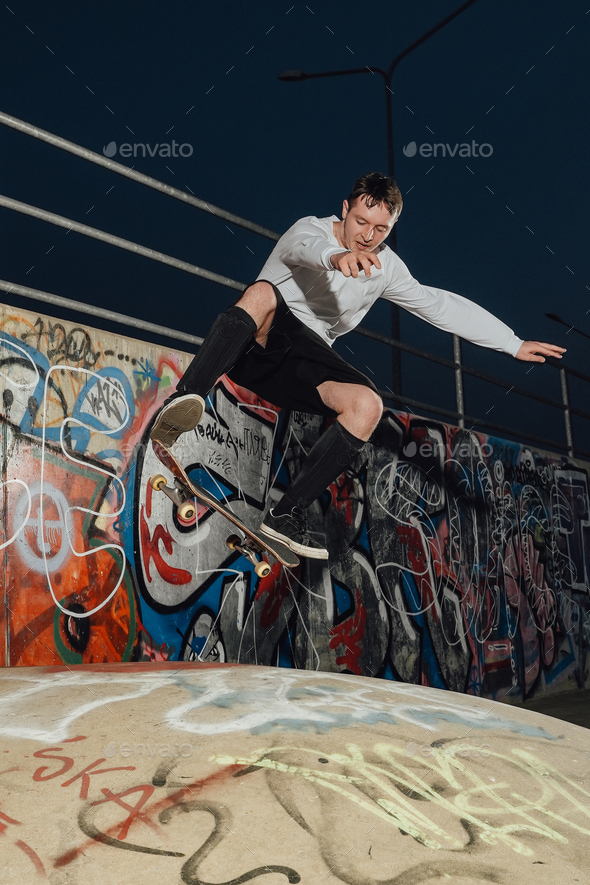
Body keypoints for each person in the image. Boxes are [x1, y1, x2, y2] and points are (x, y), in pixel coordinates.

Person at [150, 172, 565, 560]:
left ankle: (286, 516)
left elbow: (440, 306)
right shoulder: (310, 230)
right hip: (254, 345)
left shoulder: (386, 268)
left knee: (368, 405)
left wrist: (512, 344)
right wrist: (335, 258)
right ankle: (184, 399)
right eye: (361, 222)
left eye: (381, 230)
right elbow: (304, 249)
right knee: (261, 294)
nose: (367, 237)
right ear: (345, 208)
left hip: (301, 367)